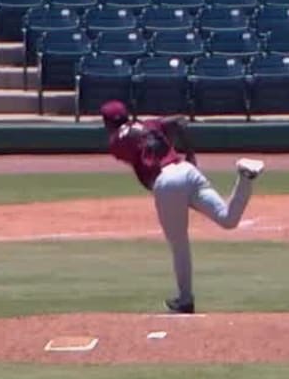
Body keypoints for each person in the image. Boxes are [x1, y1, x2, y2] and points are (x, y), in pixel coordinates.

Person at [101, 100, 265, 314]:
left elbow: (137, 156)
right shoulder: (149, 123)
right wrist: (190, 152)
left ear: (107, 122)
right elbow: (179, 121)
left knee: (179, 244)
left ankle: (185, 299)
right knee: (228, 219)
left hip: (166, 181)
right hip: (185, 168)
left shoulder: (115, 142)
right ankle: (245, 176)